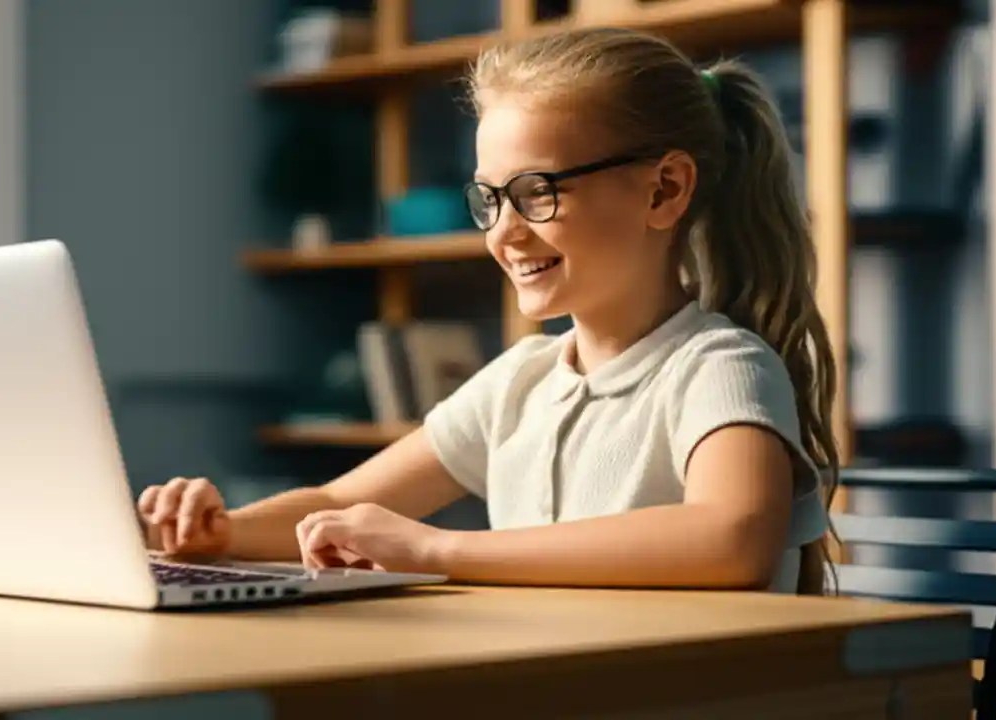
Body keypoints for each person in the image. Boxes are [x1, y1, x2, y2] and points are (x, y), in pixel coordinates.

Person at [138, 27, 837, 593]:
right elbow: (333, 502)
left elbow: (731, 538)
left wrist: (438, 547)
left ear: (664, 191)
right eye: (489, 198)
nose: (503, 231)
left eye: (537, 191)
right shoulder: (523, 382)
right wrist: (220, 532)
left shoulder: (719, 366)